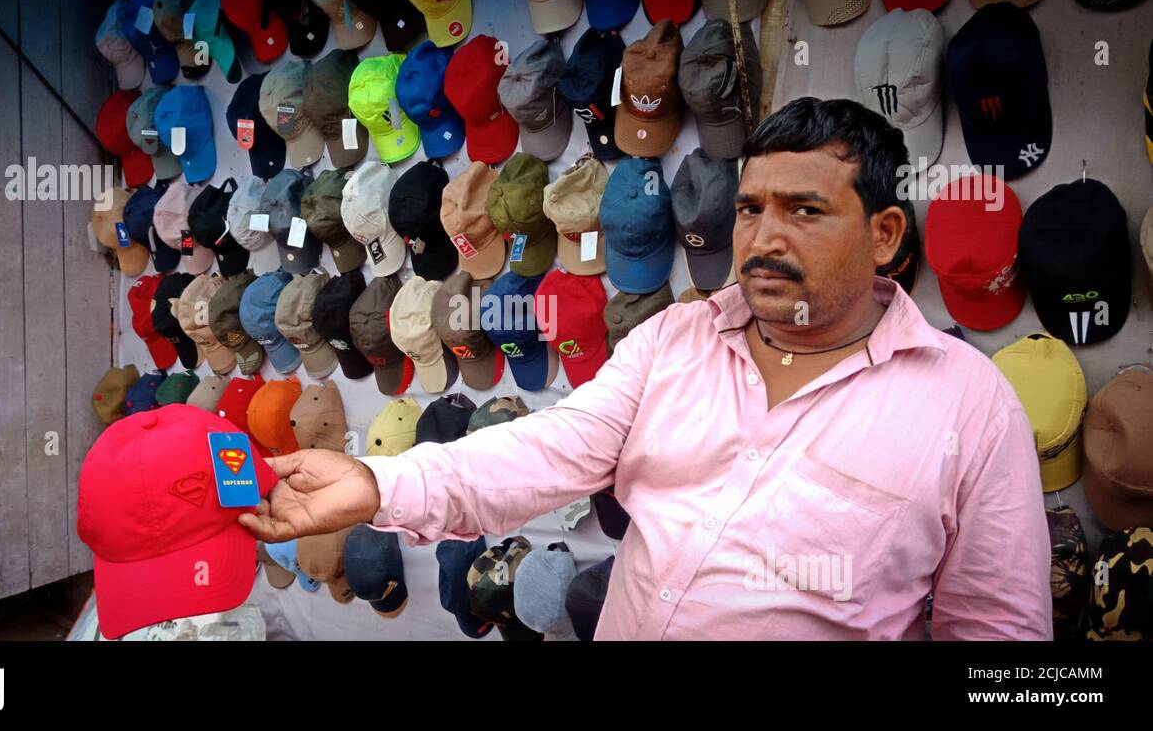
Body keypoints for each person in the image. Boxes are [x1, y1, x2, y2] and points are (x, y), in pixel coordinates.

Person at [240, 97, 1052, 640]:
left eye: (805, 210)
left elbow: (1001, 638)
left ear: (883, 237)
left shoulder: (967, 406)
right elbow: (547, 450)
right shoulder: (677, 339)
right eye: (750, 209)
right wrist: (379, 487)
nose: (763, 238)